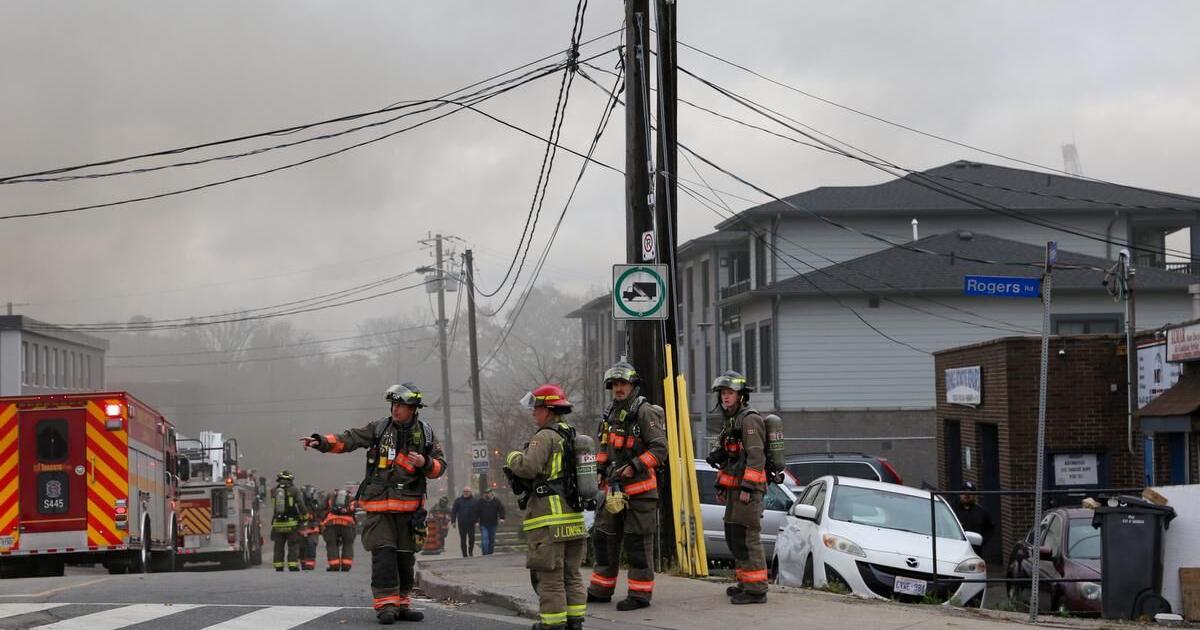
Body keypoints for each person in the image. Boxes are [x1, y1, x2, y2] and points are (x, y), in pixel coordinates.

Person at [302, 383, 446, 625]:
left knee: (405, 559)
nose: (395, 409)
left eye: (400, 405)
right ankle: (386, 605)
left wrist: (425, 462)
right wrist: (322, 442)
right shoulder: (379, 429)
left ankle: (402, 604)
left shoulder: (426, 433)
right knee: (384, 556)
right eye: (393, 404)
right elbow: (349, 439)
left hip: (410, 511)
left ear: (413, 408)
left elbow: (440, 467)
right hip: (379, 508)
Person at [505, 384, 588, 630]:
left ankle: (552, 623)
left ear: (548, 410)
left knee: (550, 576)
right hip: (574, 521)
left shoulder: (544, 437)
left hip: (549, 521)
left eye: (537, 408)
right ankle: (575, 620)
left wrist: (513, 458)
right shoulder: (571, 435)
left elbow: (529, 468)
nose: (533, 412)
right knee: (571, 574)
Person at [587, 361, 667, 611]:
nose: (619, 388)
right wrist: (600, 470)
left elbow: (660, 449)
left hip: (640, 493)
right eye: (615, 384)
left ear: (633, 385)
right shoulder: (610, 413)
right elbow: (605, 447)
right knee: (604, 539)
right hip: (613, 490)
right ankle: (600, 589)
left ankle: (640, 595)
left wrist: (635, 465)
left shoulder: (644, 412)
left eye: (623, 383)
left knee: (637, 545)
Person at [709, 370, 769, 604]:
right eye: (723, 393)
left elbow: (756, 457)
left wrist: (748, 488)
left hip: (748, 492)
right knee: (735, 536)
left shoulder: (749, 419)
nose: (725, 397)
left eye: (730, 393)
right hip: (735, 491)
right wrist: (721, 486)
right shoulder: (731, 420)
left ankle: (757, 590)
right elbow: (731, 461)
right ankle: (745, 583)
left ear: (741, 395)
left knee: (747, 538)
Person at [270, 470, 309, 572]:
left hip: (278, 523)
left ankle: (278, 566)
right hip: (292, 524)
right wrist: (305, 515)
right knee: (293, 545)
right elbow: (300, 504)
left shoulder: (273, 490)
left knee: (278, 546)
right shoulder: (295, 490)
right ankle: (292, 565)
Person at [953, 481, 996, 556]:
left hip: (975, 552)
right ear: (960, 494)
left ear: (974, 495)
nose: (966, 495)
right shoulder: (952, 510)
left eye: (969, 493)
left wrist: (982, 540)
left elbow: (990, 528)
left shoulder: (982, 512)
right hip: (956, 549)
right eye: (964, 493)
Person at [323, 487, 358, 571]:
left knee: (332, 544)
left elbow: (322, 508)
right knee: (348, 544)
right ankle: (346, 566)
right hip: (348, 524)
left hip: (331, 523)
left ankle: (334, 566)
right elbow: (354, 509)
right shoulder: (352, 498)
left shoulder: (330, 495)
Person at [450, 486, 480, 557]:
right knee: (463, 540)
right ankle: (464, 554)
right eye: (464, 491)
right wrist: (453, 521)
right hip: (462, 523)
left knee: (471, 538)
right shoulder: (458, 501)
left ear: (470, 492)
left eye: (467, 491)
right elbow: (454, 511)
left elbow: (478, 512)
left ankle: (470, 551)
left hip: (471, 523)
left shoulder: (475, 501)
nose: (466, 493)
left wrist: (477, 521)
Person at [477, 488, 506, 555]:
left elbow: (501, 510)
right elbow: (476, 512)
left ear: (491, 493)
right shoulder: (480, 502)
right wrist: (476, 521)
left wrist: (502, 518)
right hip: (483, 524)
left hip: (493, 524)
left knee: (491, 541)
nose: (487, 495)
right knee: (485, 541)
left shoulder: (496, 501)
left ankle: (490, 554)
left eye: (488, 493)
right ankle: (485, 554)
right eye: (486, 493)